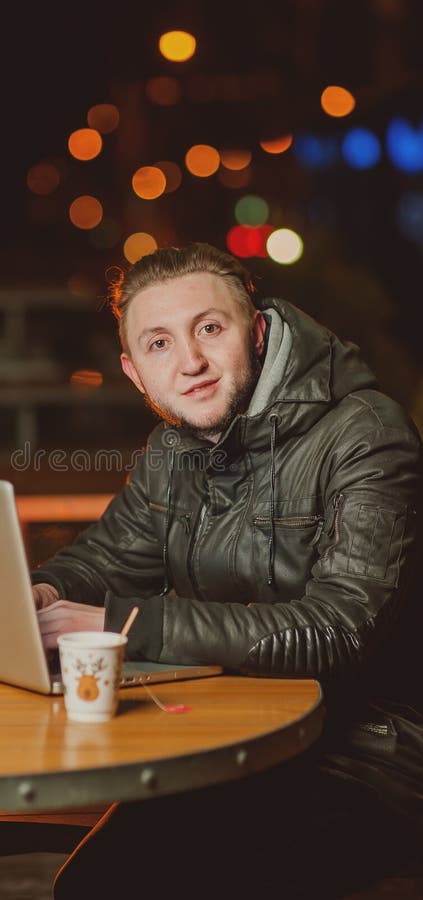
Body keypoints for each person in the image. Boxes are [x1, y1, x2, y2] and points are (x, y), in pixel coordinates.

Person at [32, 243, 423, 899]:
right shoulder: (173, 448)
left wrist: (123, 623)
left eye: (209, 328)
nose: (188, 363)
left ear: (259, 329)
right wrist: (44, 591)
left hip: (371, 754)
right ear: (133, 372)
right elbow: (105, 558)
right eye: (158, 344)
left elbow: (338, 631)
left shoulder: (365, 434)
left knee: (184, 883)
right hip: (232, 735)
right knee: (95, 886)